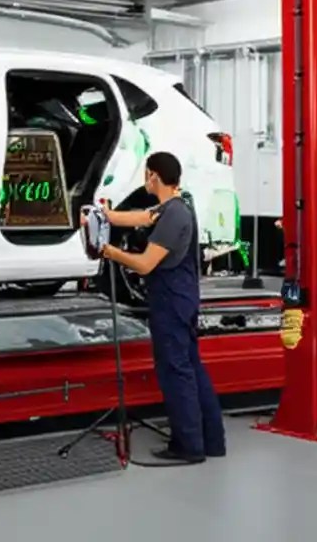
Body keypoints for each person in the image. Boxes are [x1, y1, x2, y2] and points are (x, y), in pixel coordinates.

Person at [92, 151, 226, 464]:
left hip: (171, 303)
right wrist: (107, 215)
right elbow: (140, 217)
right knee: (191, 367)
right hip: (183, 299)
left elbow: (144, 265)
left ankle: (188, 446)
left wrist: (108, 251)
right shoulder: (176, 206)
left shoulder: (174, 216)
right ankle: (212, 441)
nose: (144, 180)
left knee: (175, 372)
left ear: (154, 176)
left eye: (146, 174)